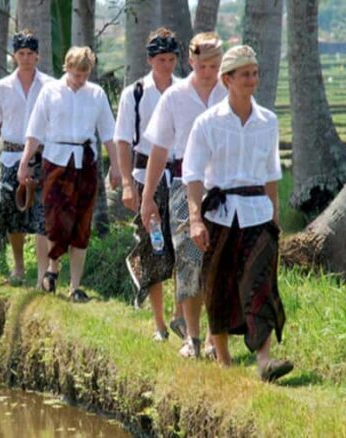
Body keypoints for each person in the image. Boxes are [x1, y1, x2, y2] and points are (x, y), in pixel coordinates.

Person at [183, 45, 293, 382]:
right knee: (217, 284)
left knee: (261, 282)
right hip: (219, 215)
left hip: (257, 214)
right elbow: (193, 174)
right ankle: (224, 361)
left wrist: (275, 219)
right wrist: (195, 220)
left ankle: (264, 361)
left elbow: (272, 174)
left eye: (255, 73)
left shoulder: (268, 121)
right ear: (227, 79)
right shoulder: (207, 123)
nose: (252, 80)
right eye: (245, 74)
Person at [141, 32, 227, 358]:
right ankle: (192, 336)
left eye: (215, 65)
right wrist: (148, 197)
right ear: (191, 62)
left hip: (222, 185)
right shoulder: (174, 97)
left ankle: (212, 338)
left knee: (217, 262)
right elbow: (159, 151)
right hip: (181, 185)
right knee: (189, 260)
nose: (209, 72)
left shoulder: (229, 92)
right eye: (204, 65)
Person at [19, 46, 120, 303]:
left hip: (85, 162)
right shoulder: (50, 92)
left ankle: (75, 286)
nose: (79, 80)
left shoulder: (96, 94)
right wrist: (24, 163)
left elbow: (108, 133)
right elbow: (34, 131)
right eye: (75, 74)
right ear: (67, 68)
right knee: (52, 219)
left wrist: (117, 168)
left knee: (81, 223)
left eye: (84, 75)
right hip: (55, 160)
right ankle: (49, 270)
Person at [114, 27, 185, 341]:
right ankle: (158, 324)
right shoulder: (135, 93)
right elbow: (122, 141)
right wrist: (128, 184)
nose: (166, 65)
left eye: (171, 59)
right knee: (153, 245)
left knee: (185, 247)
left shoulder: (185, 91)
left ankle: (180, 315)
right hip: (146, 180)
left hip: (181, 179)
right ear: (150, 59)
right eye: (161, 59)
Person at [0, 30, 53, 289]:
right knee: (12, 212)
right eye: (21, 53)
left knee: (43, 212)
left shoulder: (51, 86)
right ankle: (19, 266)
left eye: (30, 54)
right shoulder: (1, 88)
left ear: (38, 56)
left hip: (43, 156)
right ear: (14, 56)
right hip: (10, 156)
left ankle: (47, 271)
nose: (26, 58)